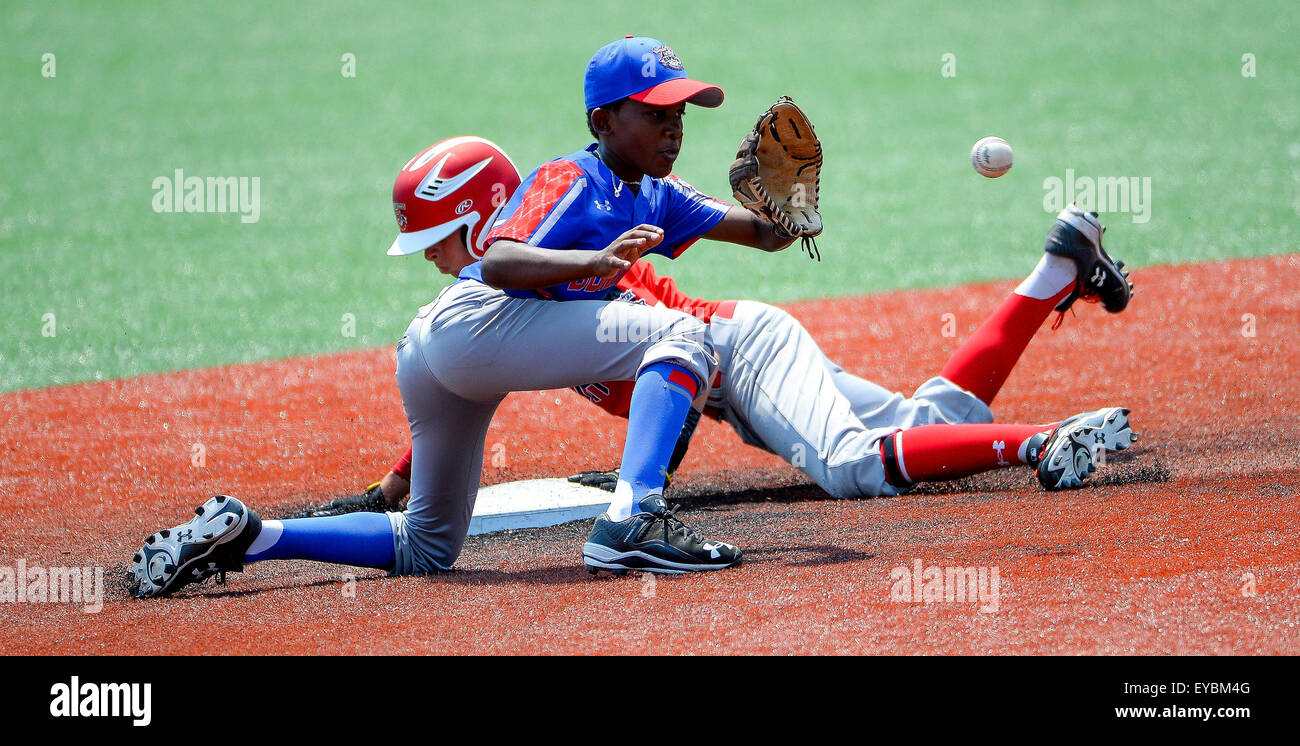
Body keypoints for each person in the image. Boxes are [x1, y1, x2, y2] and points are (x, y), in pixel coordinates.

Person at [131, 36, 804, 598]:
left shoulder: (662, 194)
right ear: (602, 122)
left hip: (441, 358)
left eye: (681, 112)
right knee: (684, 335)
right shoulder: (570, 177)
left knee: (428, 545)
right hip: (471, 321)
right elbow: (503, 260)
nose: (674, 126)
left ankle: (251, 534)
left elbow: (765, 233)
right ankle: (636, 517)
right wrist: (591, 263)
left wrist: (794, 206)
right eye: (653, 113)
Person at [308, 201, 1137, 518]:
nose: (427, 259)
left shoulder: (562, 270)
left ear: (479, 217)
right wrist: (386, 492)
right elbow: (471, 388)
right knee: (932, 423)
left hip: (746, 352)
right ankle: (1060, 267)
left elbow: (677, 370)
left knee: (851, 469)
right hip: (737, 373)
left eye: (435, 240)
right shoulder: (510, 305)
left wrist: (647, 474)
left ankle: (1043, 440)